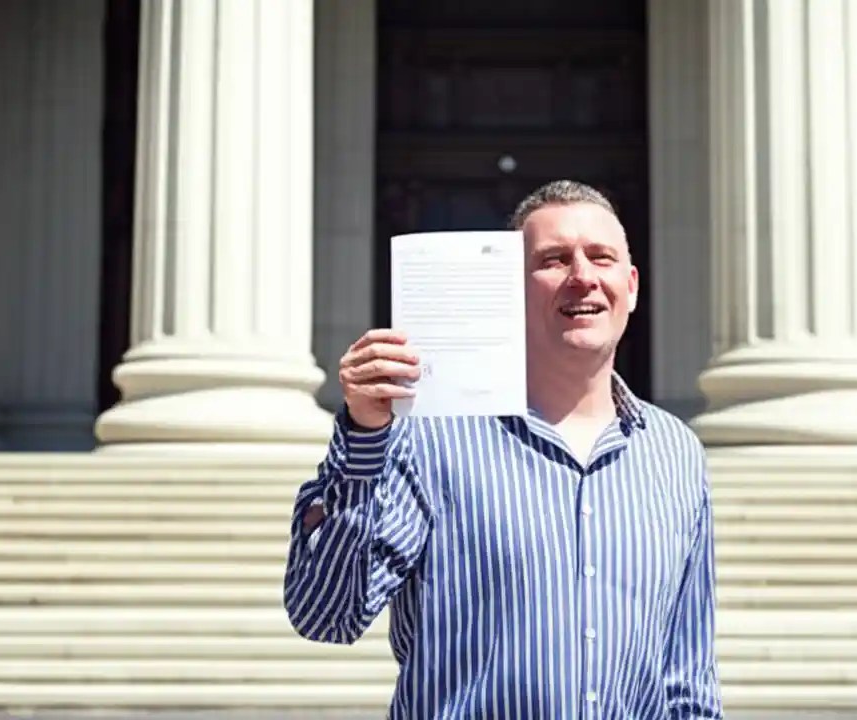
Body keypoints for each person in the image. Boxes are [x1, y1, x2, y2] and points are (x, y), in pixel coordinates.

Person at [283, 180, 723, 718]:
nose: (582, 276)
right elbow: (328, 614)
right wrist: (363, 438)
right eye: (554, 260)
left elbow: (688, 677)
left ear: (630, 286)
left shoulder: (674, 452)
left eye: (600, 257)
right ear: (507, 289)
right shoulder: (430, 438)